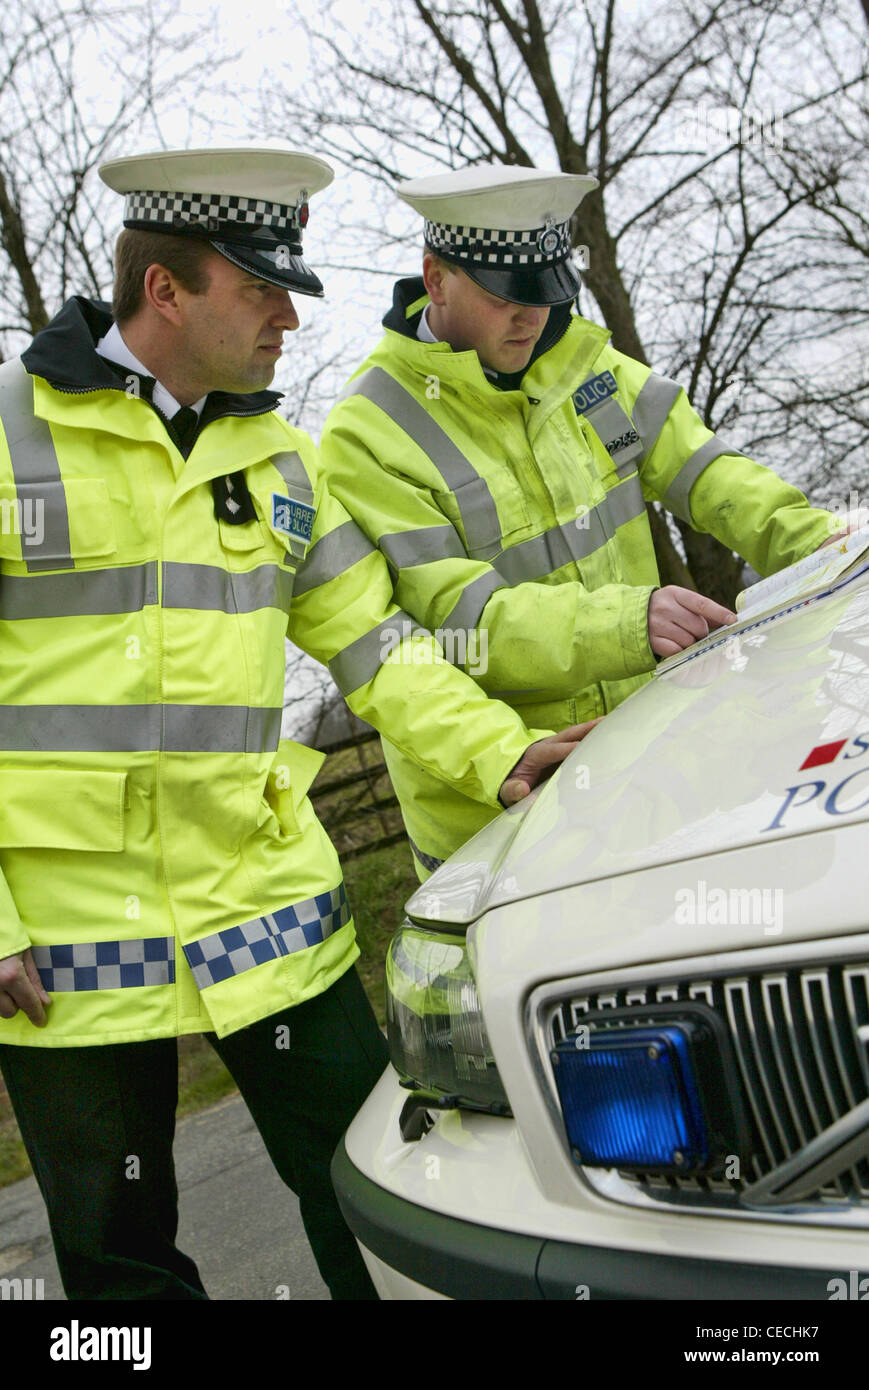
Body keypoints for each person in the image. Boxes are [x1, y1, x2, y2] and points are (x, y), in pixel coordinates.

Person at [0, 147, 597, 1301]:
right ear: (166, 289)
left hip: (264, 913)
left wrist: (499, 750)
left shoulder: (278, 455)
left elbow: (373, 648)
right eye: (260, 286)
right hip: (67, 947)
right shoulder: (10, 431)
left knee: (377, 1193)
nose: (288, 313)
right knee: (115, 1262)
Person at [319, 164, 842, 877]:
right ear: (435, 279)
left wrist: (825, 546)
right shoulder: (368, 431)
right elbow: (458, 622)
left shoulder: (580, 364)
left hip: (642, 775)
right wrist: (629, 624)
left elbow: (708, 473)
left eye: (544, 291)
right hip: (501, 818)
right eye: (506, 294)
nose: (530, 316)